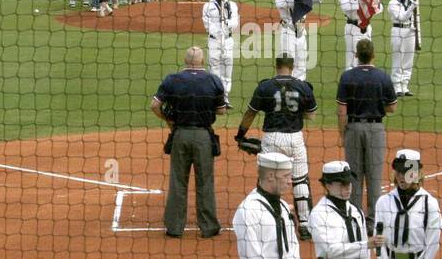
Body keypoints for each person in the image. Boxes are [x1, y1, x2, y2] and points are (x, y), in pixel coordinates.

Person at [150, 46, 228, 239]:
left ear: (185, 61)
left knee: (178, 181)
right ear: (202, 62)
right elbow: (222, 110)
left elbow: (155, 105)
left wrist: (169, 121)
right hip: (203, 137)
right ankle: (209, 227)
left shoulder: (172, 79)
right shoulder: (213, 80)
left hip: (180, 135)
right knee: (205, 182)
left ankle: (174, 228)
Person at [236, 54, 317, 237]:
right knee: (300, 179)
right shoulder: (303, 86)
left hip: (271, 138)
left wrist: (240, 134)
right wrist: (294, 113)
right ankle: (304, 225)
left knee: (267, 179)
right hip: (295, 138)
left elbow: (251, 113)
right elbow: (311, 115)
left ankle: (265, 218)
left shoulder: (265, 86)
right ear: (292, 66)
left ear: (276, 66)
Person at [336, 38, 397, 220]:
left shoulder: (347, 76)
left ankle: (355, 220)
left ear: (356, 55)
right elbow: (392, 107)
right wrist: (376, 106)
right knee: (374, 177)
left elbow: (341, 111)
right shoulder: (383, 77)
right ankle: (372, 221)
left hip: (353, 128)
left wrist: (342, 134)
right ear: (373, 55)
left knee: (354, 176)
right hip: (376, 129)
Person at [202, 0, 238, 103]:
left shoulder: (231, 5)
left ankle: (226, 97)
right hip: (214, 40)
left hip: (228, 40)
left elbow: (235, 23)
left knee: (227, 68)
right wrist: (217, 29)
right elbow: (206, 24)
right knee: (214, 68)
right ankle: (216, 97)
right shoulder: (207, 6)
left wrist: (226, 21)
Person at [276, 0, 323, 81]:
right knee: (287, 63)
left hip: (301, 33)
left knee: (301, 64)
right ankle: (287, 88)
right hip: (288, 33)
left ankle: (299, 88)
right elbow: (282, 4)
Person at [339, 0, 379, 71]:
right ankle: (351, 83)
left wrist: (370, 4)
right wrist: (363, 4)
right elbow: (345, 6)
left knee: (366, 57)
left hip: (367, 27)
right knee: (352, 58)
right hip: (353, 27)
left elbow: (379, 7)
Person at [386, 0, 419, 95]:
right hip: (398, 31)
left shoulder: (410, 1)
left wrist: (417, 33)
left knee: (408, 59)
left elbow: (415, 18)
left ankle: (405, 86)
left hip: (410, 31)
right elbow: (402, 17)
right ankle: (396, 87)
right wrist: (412, 7)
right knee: (398, 58)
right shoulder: (393, 3)